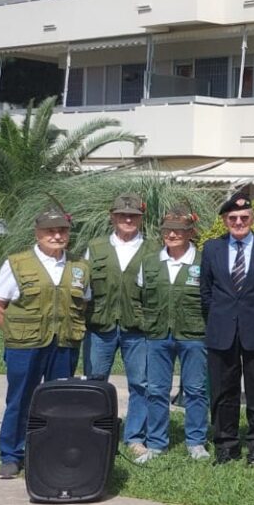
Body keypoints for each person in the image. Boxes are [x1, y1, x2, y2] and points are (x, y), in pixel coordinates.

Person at [0, 206, 88, 479]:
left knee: (59, 401)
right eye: (50, 231)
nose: (57, 236)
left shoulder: (79, 265)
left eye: (62, 230)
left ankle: (52, 451)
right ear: (38, 233)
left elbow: (84, 303)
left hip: (64, 343)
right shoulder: (18, 263)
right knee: (20, 399)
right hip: (25, 346)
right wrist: (14, 336)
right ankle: (12, 454)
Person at [200, 191, 254, 465]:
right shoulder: (212, 248)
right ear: (226, 220)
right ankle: (226, 444)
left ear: (252, 218)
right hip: (222, 330)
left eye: (244, 217)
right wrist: (221, 316)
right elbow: (205, 293)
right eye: (233, 218)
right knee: (223, 391)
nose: (239, 222)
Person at [85, 194, 156, 461]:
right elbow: (83, 288)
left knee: (141, 384)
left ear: (140, 218)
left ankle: (135, 437)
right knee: (95, 382)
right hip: (100, 326)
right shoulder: (95, 247)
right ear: (112, 216)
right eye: (122, 214)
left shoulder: (153, 250)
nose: (128, 219)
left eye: (134, 215)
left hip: (137, 327)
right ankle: (95, 431)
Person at [136, 208, 209, 462]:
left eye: (179, 230)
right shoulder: (150, 262)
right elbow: (140, 296)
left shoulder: (203, 261)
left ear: (191, 233)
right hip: (158, 334)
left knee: (196, 389)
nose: (173, 234)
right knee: (156, 389)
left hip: (194, 334)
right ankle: (156, 443)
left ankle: (196, 442)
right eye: (167, 229)